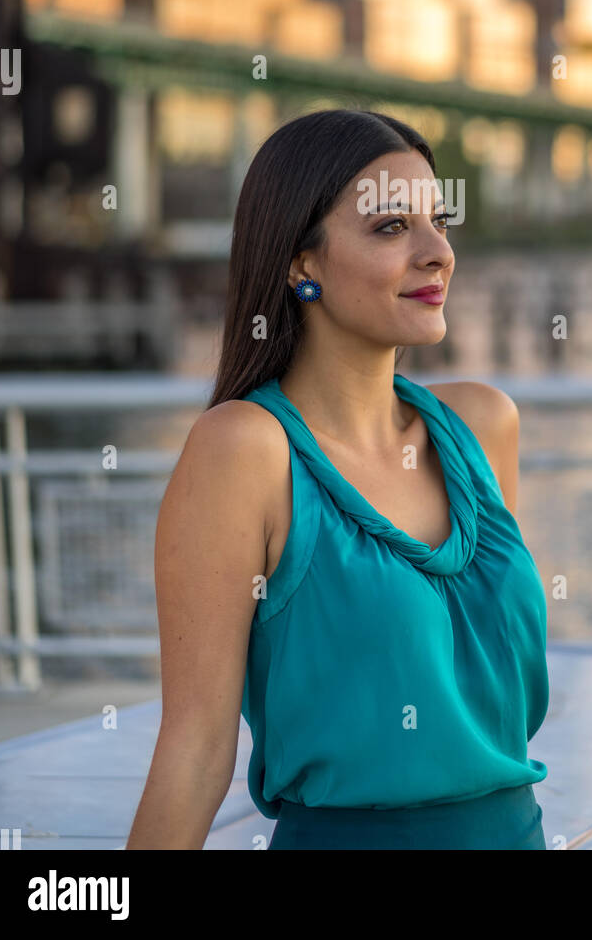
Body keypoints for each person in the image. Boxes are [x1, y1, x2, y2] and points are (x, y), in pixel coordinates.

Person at [126, 108, 550, 850]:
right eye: (391, 228)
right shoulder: (244, 451)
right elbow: (195, 751)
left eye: (439, 222)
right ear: (301, 263)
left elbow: (486, 705)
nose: (437, 254)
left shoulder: (484, 426)